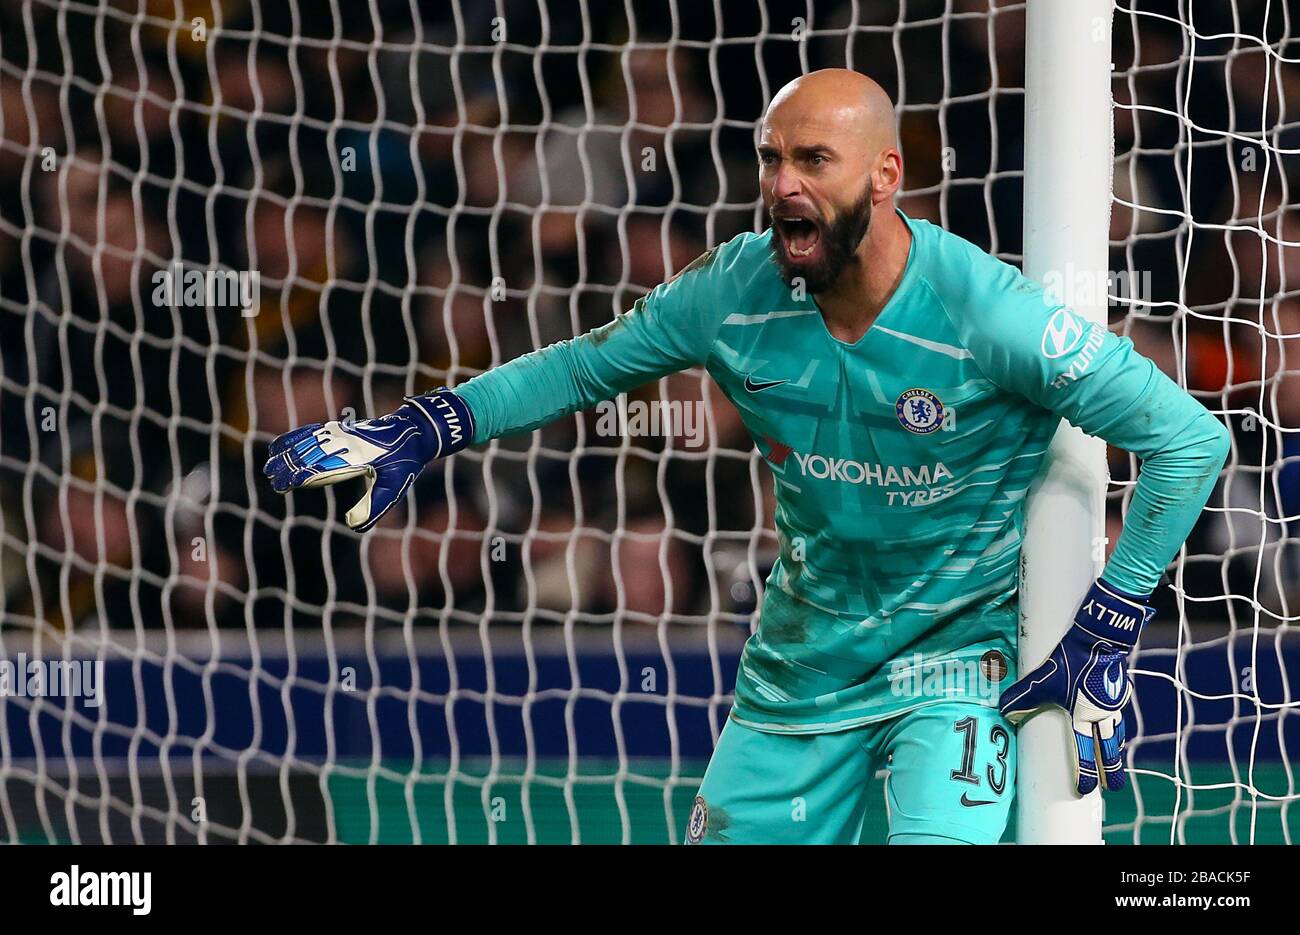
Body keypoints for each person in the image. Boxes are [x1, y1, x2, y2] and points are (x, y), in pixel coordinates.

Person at [262, 70, 1230, 844]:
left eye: (812, 158)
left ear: (885, 175)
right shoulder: (735, 287)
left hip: (951, 665)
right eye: (771, 159)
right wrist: (428, 426)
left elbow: (1189, 440)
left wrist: (1107, 621)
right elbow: (583, 367)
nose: (781, 185)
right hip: (798, 669)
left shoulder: (988, 315)